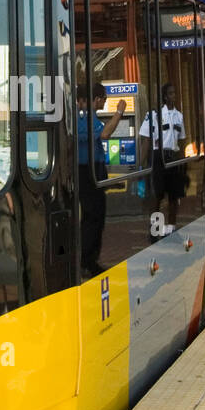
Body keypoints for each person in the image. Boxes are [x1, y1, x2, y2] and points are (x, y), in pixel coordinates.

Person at [78, 87, 127, 278]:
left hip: (92, 170)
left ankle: (90, 260)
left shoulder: (86, 117)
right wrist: (119, 112)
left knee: (95, 217)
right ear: (96, 99)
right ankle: (87, 262)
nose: (105, 102)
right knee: (93, 217)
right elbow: (105, 134)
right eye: (104, 99)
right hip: (88, 171)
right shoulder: (85, 117)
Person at [139, 82, 187, 231]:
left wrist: (183, 162)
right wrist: (141, 165)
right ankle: (155, 230)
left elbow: (182, 140)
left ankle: (171, 229)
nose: (174, 96)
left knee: (174, 196)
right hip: (158, 157)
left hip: (173, 157)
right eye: (171, 93)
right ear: (165, 97)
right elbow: (146, 140)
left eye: (174, 93)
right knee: (157, 196)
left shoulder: (179, 116)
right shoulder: (154, 115)